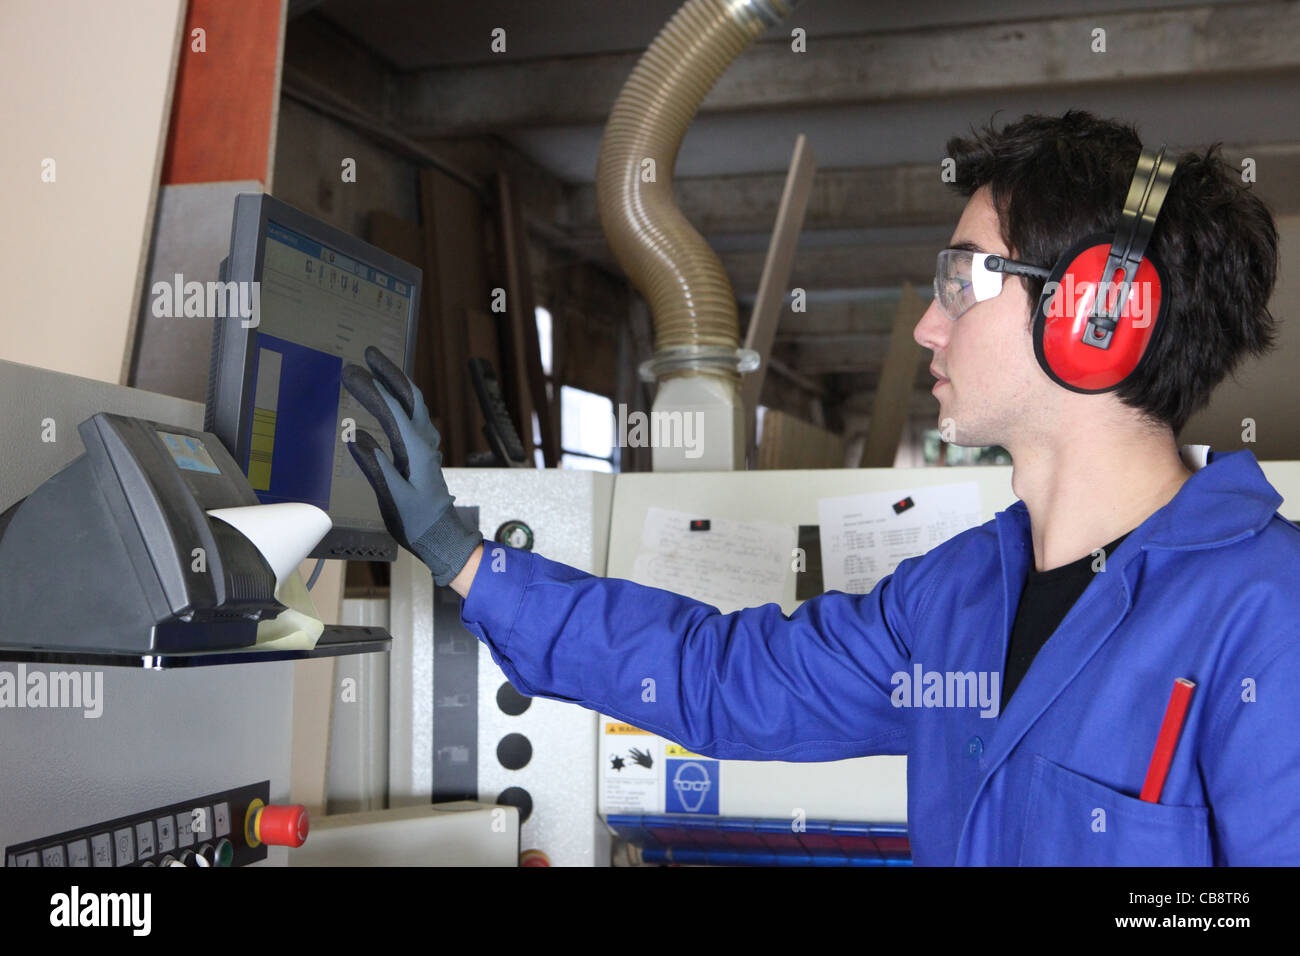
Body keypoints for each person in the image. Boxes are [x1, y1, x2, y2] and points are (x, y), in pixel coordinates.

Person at [341, 111, 1296, 865]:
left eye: (960, 283)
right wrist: (465, 558)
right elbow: (726, 680)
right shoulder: (957, 598)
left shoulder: (1266, 614)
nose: (928, 326)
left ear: (1095, 313)